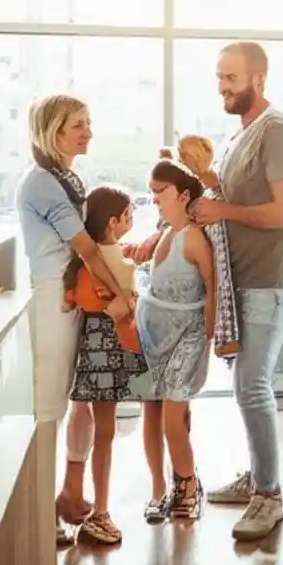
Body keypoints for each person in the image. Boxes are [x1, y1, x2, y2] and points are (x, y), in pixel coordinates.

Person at [189, 42, 283, 541]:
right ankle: (259, 479)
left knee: (252, 389)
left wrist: (223, 211)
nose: (222, 87)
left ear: (259, 78)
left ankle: (269, 497)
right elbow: (237, 196)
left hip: (267, 285)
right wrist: (206, 180)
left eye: (231, 78)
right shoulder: (243, 135)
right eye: (219, 77)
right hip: (245, 285)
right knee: (245, 390)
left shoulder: (278, 133)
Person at [15, 94, 133, 548]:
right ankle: (40, 516)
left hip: (70, 301)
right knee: (49, 410)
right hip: (52, 303)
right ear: (52, 131)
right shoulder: (44, 182)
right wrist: (120, 300)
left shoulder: (66, 177)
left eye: (88, 122)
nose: (87, 131)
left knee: (66, 406)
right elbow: (84, 247)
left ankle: (63, 498)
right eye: (76, 125)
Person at [61, 183, 166, 542]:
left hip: (96, 350)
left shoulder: (85, 262)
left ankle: (102, 509)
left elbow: (76, 300)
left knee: (104, 433)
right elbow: (126, 302)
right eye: (128, 216)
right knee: (147, 410)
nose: (131, 221)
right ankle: (116, 506)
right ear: (113, 221)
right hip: (119, 345)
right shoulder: (115, 261)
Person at [130, 159, 217, 520]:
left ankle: (188, 484)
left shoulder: (194, 238)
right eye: (150, 192)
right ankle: (159, 489)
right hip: (152, 340)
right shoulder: (165, 231)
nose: (154, 199)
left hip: (188, 337)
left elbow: (213, 288)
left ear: (182, 195)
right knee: (152, 415)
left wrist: (213, 338)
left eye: (159, 192)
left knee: (171, 418)